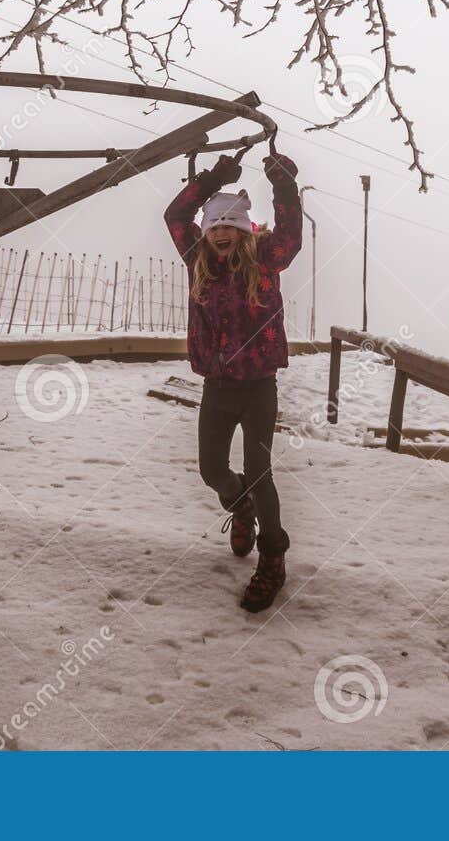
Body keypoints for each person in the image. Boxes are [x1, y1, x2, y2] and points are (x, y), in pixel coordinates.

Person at [164, 150, 301, 612]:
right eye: (214, 226)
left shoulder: (265, 258)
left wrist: (283, 184)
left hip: (258, 387)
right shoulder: (197, 259)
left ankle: (273, 559)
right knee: (212, 471)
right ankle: (239, 504)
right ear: (206, 232)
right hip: (217, 388)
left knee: (260, 473)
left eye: (230, 226)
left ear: (244, 230)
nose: (222, 233)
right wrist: (212, 180)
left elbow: (291, 236)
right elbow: (175, 215)